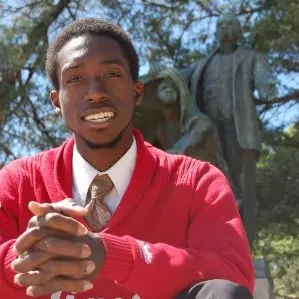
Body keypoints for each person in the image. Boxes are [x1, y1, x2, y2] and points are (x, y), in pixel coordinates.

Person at [0, 18, 254, 299]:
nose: (96, 92)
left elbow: (231, 277)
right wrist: (31, 251)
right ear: (57, 101)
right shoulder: (17, 182)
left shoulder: (197, 183)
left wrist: (112, 256)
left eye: (112, 75)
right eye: (74, 79)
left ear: (137, 92)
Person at [186, 9, 276, 245]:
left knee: (243, 189)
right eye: (220, 25)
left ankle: (245, 247)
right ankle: (218, 244)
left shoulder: (250, 57)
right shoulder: (203, 64)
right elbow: (180, 77)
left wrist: (267, 86)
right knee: (212, 189)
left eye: (229, 24)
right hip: (209, 134)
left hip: (239, 131)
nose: (223, 28)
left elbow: (264, 76)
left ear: (238, 31)